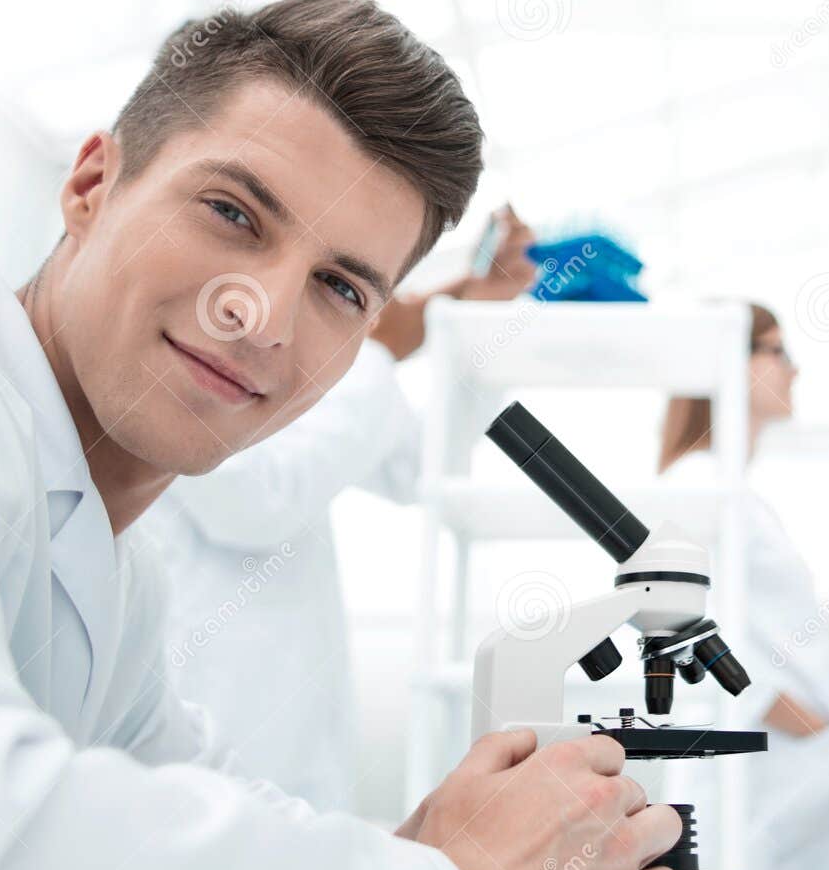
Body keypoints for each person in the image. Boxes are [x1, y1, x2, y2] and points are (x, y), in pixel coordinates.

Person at [0, 0, 679, 870]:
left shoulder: (116, 585)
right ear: (92, 183)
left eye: (340, 287)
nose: (258, 314)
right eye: (232, 213)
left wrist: (440, 858)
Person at [138, 207, 538, 810]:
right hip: (206, 758)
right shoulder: (176, 369)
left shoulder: (301, 382)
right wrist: (374, 350)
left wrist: (475, 332)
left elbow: (414, 467)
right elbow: (262, 499)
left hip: (284, 750)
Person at [657, 303, 829, 870]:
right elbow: (667, 616)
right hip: (757, 774)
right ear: (731, 361)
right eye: (778, 352)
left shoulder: (742, 496)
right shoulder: (696, 487)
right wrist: (771, 702)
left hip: (796, 777)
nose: (793, 370)